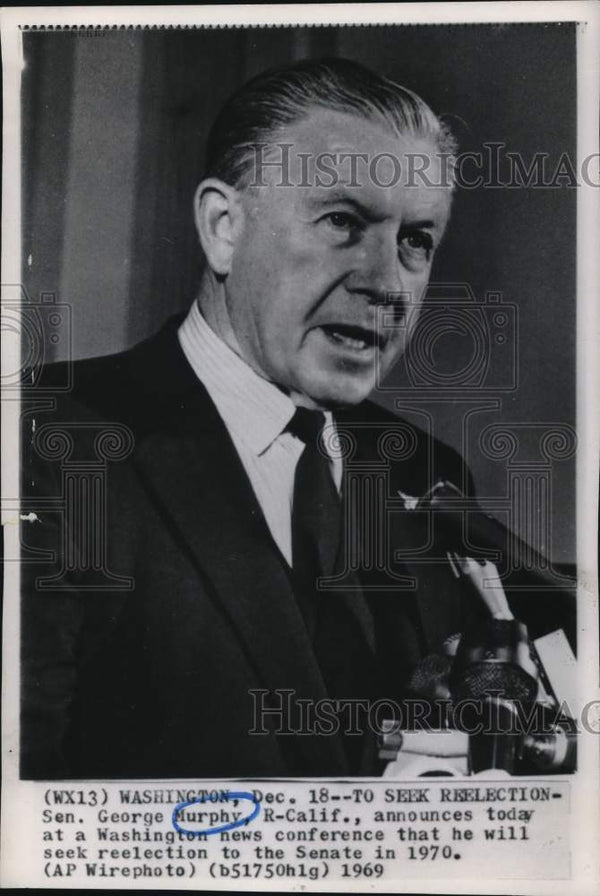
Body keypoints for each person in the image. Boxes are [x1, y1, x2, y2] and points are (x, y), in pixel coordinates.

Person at [19, 58, 567, 780]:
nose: (387, 283)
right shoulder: (46, 443)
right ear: (223, 228)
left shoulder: (421, 470)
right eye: (343, 222)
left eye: (416, 241)